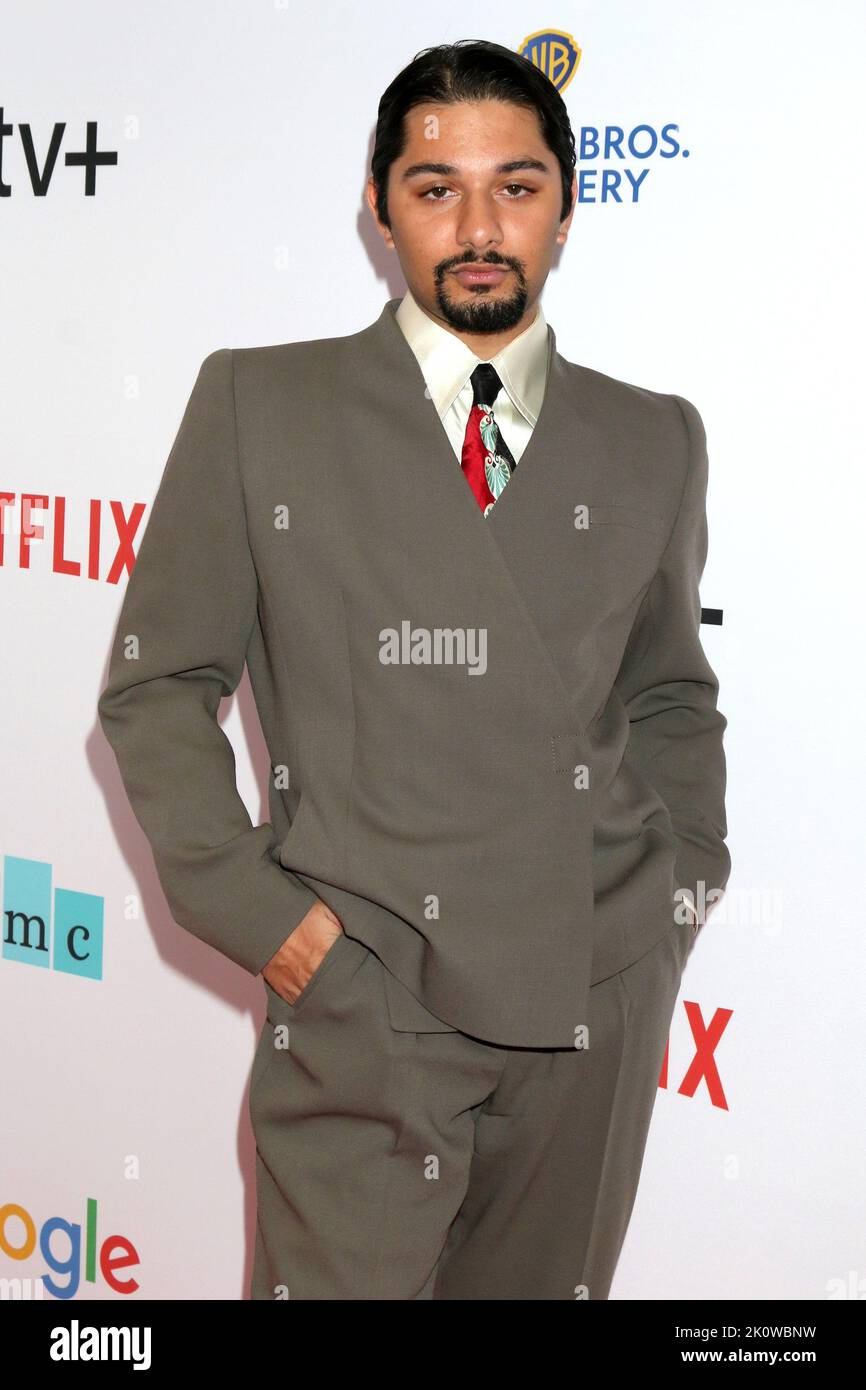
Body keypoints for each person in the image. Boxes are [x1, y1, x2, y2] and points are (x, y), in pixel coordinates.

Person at [98, 39, 731, 1300]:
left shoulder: (650, 435)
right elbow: (156, 685)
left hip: (589, 999)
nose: (480, 225)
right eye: (437, 187)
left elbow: (668, 694)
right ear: (380, 209)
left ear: (565, 208)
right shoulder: (260, 406)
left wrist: (677, 892)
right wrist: (271, 924)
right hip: (365, 1001)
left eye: (519, 184)